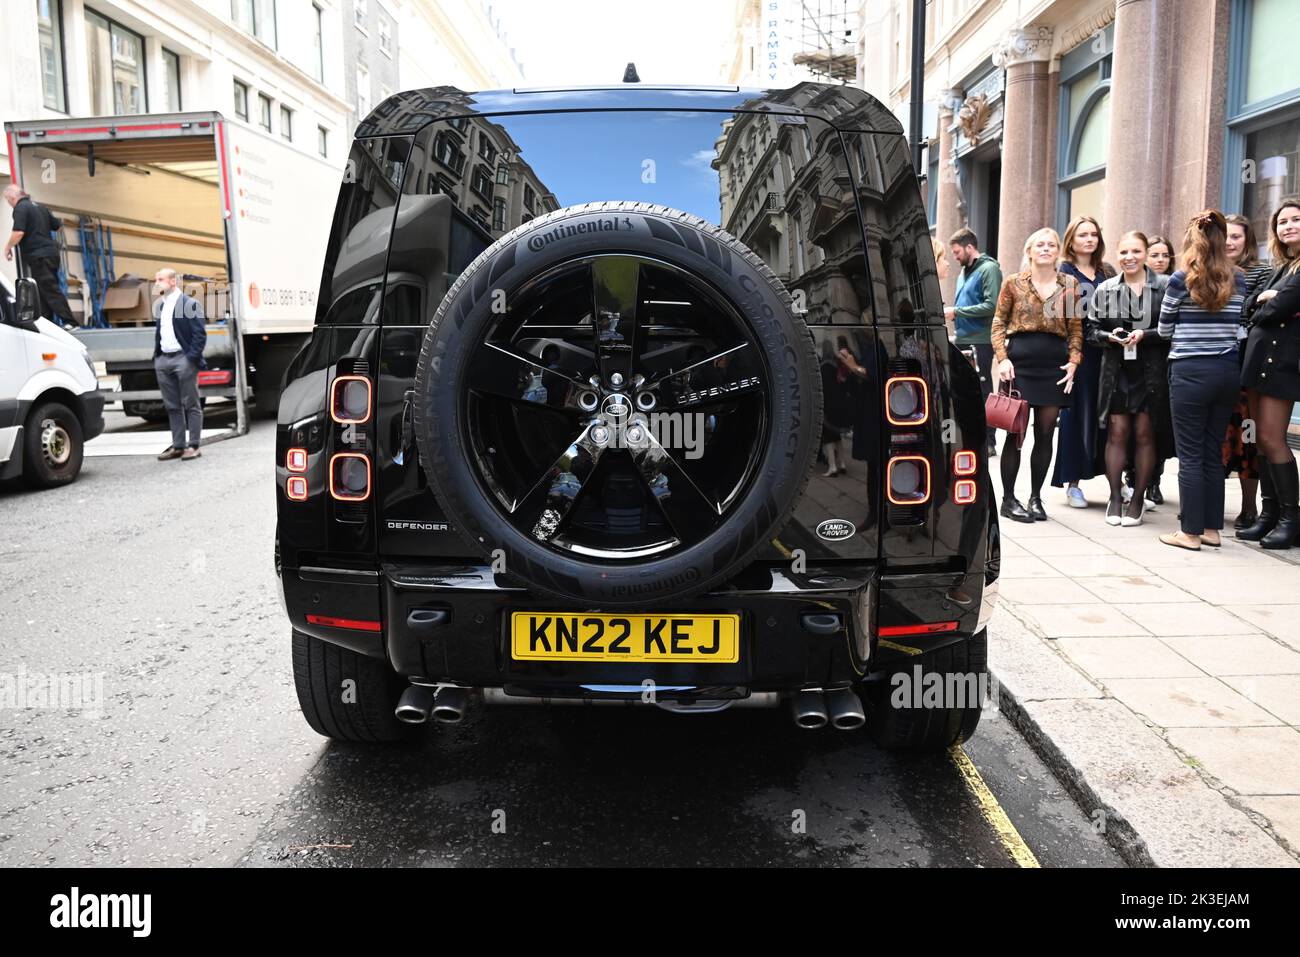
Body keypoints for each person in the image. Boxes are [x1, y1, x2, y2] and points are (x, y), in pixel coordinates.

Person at [1157, 210, 1248, 550]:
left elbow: (1165, 329)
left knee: (1191, 453)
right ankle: (1212, 528)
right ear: (1223, 240)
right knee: (1213, 451)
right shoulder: (1239, 278)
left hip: (1190, 372)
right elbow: (1239, 328)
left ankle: (1190, 532)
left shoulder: (1180, 280)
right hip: (1226, 372)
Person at [991, 227, 1082, 523]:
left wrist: (1074, 361)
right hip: (1019, 365)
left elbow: (1076, 328)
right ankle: (1007, 499)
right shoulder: (1013, 283)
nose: (1045, 248)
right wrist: (1002, 359)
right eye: (1039, 244)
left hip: (1054, 365)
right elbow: (998, 324)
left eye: (1051, 245)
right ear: (1029, 251)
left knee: (1045, 434)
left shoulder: (1069, 284)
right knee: (1015, 434)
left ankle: (1035, 498)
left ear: (1058, 251)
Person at [1088, 231, 1171, 527]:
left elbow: (1173, 329)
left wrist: (1144, 335)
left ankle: (1137, 498)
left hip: (1152, 372)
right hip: (1117, 372)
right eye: (1123, 252)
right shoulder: (1106, 289)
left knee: (1146, 435)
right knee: (1117, 433)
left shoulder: (1165, 286)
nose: (1129, 257)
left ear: (1146, 253)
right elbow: (1091, 330)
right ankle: (1114, 496)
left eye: (1136, 251)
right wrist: (1109, 337)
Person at [1238, 196, 1300, 549]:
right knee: (1261, 439)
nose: (1288, 226)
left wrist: (1270, 302)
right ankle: (1269, 514)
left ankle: (1292, 519)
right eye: (1282, 222)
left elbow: (1276, 309)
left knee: (1274, 439)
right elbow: (1251, 304)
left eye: (1295, 220)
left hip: (1283, 364)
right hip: (1260, 363)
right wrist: (1267, 299)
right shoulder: (1282, 266)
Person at [1052, 216, 1115, 507]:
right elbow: (1058, 317)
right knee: (1076, 415)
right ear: (1071, 241)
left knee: (1111, 418)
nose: (1089, 239)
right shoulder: (1063, 272)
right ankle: (1073, 483)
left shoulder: (1107, 270)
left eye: (1093, 234)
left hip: (1109, 353)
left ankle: (1115, 481)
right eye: (1082, 235)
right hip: (1077, 354)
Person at [1222, 214, 1273, 528]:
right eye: (1224, 236)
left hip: (1247, 367)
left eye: (1236, 237)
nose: (1229, 242)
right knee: (1218, 437)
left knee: (1248, 437)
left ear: (1247, 240)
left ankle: (1250, 507)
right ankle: (1207, 504)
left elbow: (1255, 313)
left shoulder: (1262, 271)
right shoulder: (1209, 270)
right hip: (1216, 366)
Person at [944, 228, 1003, 457]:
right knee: (966, 392)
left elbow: (992, 305)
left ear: (970, 247)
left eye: (958, 252)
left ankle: (989, 442)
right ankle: (972, 436)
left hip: (981, 341)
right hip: (963, 340)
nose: (955, 257)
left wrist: (956, 311)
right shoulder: (963, 273)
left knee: (984, 392)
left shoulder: (989, 269)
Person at [152, 268, 207, 461]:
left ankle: (193, 445)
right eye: (156, 280)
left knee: (191, 403)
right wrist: (157, 358)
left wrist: (190, 359)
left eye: (160, 280)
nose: (157, 283)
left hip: (183, 359)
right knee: (172, 405)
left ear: (173, 282)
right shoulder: (160, 305)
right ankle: (178, 446)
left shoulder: (190, 304)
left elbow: (200, 335)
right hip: (163, 359)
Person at [2, 185, 75, 327]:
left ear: (12, 197)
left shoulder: (20, 209)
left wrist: (7, 247)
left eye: (8, 201)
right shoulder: (39, 207)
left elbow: (18, 232)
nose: (9, 204)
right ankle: (48, 324)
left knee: (49, 289)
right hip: (50, 253)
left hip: (39, 255)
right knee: (41, 291)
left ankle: (70, 321)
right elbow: (58, 226)